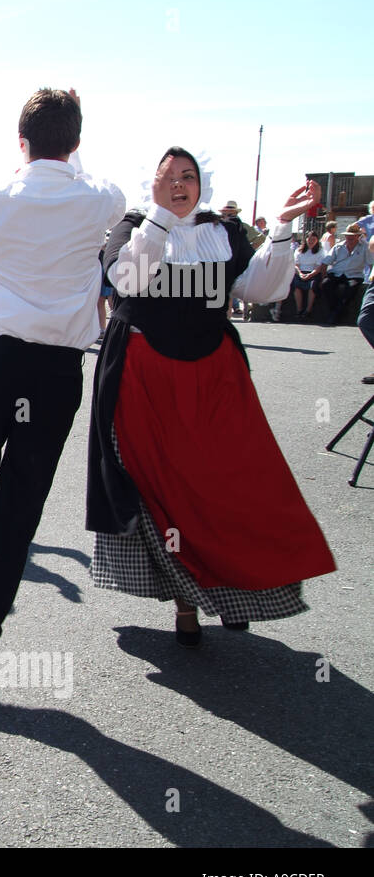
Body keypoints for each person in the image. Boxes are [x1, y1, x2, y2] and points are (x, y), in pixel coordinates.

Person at [0, 86, 126, 684]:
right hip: (58, 369)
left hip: (1, 358)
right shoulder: (100, 196)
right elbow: (95, 191)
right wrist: (62, 150)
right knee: (18, 501)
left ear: (21, 142)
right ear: (77, 143)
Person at [88, 151, 333, 643]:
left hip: (214, 374)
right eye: (167, 178)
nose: (179, 185)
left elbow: (261, 290)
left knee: (232, 482)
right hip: (145, 374)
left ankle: (233, 584)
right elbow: (128, 281)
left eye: (188, 177)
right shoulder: (132, 227)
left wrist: (282, 228)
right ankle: (186, 603)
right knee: (167, 489)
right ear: (150, 184)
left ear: (202, 184)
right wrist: (158, 218)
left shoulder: (224, 232)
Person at [318, 223, 370, 326]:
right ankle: (336, 311)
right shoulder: (338, 246)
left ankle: (334, 315)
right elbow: (325, 262)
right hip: (337, 273)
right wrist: (323, 277)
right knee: (325, 284)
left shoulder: (365, 247)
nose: (349, 238)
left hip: (354, 275)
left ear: (357, 236)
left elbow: (371, 262)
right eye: (347, 235)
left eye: (352, 236)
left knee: (349, 292)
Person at [289, 230, 325, 320]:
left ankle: (308, 310)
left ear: (317, 240)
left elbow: (318, 267)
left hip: (313, 273)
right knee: (296, 286)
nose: (311, 241)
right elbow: (296, 265)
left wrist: (309, 275)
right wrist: (300, 273)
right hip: (300, 272)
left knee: (312, 286)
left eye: (314, 239)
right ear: (306, 239)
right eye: (309, 239)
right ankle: (299, 309)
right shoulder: (299, 250)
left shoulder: (320, 251)